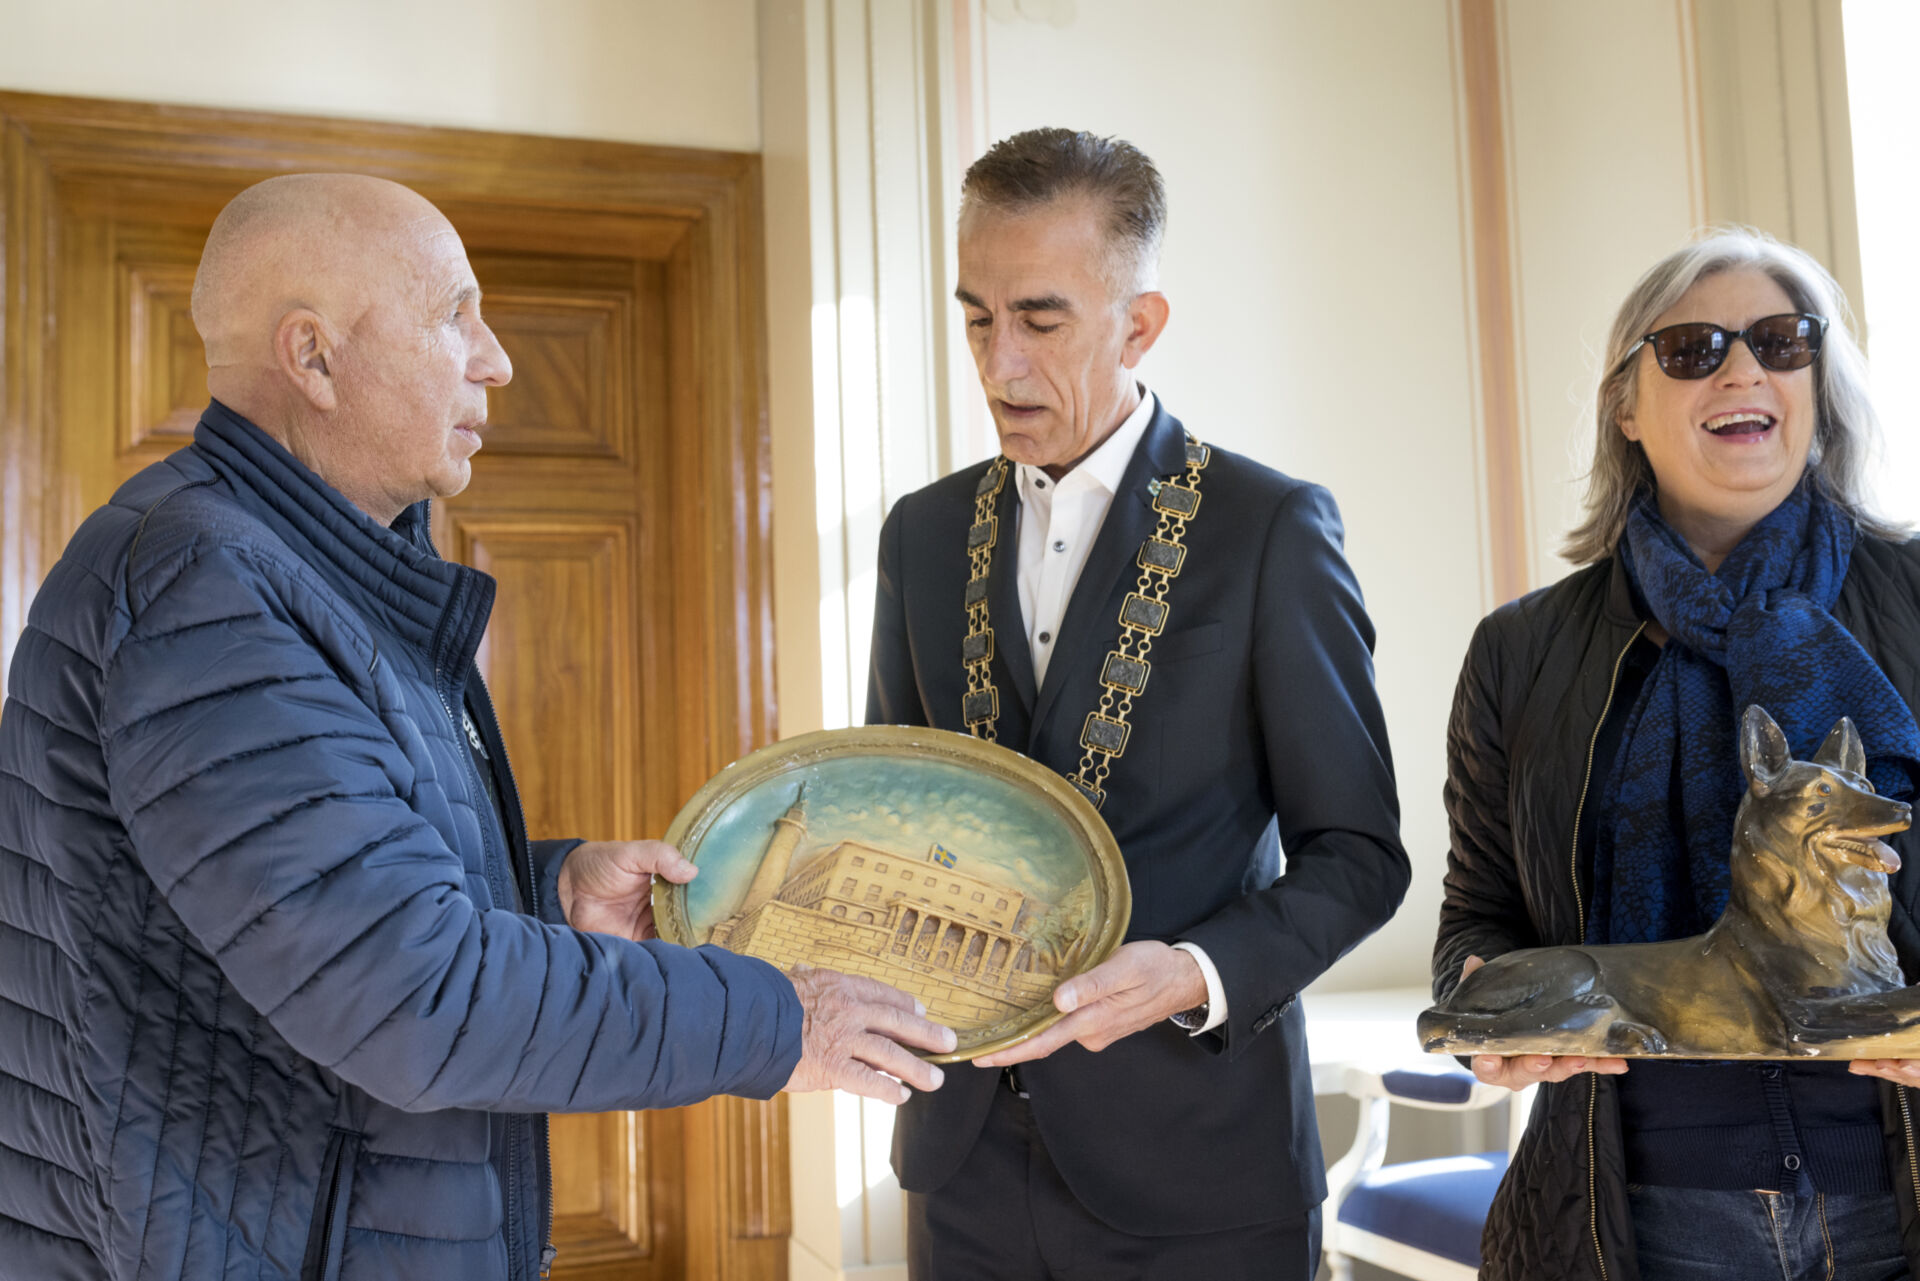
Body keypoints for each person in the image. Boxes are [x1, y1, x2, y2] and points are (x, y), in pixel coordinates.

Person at [0, 173, 954, 1281]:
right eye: (455, 315)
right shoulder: (205, 583)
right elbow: (412, 995)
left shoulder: (301, 564)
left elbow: (307, 904)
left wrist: (540, 894)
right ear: (312, 359)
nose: (495, 357)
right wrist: (778, 1019)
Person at [866, 128, 1409, 1281]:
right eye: (976, 317)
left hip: (1203, 1176)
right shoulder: (918, 535)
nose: (999, 364)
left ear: (1140, 324)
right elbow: (893, 815)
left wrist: (1193, 973)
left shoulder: (1269, 531)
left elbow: (1358, 856)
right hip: (960, 1161)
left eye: (1040, 320)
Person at [1436, 228, 1920, 1280]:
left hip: (1901, 1202)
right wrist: (1484, 1011)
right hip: (1634, 1219)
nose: (1744, 368)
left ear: (1817, 387)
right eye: (1694, 349)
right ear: (1626, 407)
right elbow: (1480, 910)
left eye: (1781, 342)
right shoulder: (1521, 652)